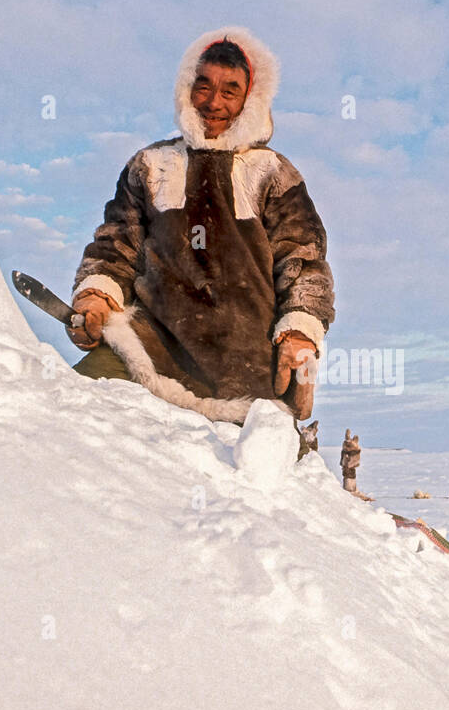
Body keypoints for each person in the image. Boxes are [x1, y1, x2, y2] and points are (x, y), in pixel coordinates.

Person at [68, 25, 334, 423]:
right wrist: (97, 295)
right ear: (185, 90)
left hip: (246, 375)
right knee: (65, 414)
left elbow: (304, 265)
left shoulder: (273, 172)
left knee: (268, 480)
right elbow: (115, 245)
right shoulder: (150, 165)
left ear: (250, 99)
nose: (213, 102)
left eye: (230, 90)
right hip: (148, 349)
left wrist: (299, 335)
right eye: (203, 85)